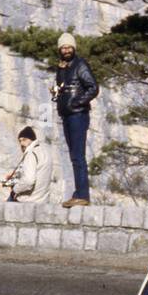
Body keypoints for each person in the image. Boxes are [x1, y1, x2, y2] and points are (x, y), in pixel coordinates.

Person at [50, 32, 98, 207]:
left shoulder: (80, 65)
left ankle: (83, 195)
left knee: (78, 156)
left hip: (78, 115)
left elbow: (93, 87)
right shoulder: (62, 67)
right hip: (67, 115)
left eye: (69, 47)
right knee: (74, 156)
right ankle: (78, 193)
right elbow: (64, 88)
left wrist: (77, 102)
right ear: (60, 49)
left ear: (74, 48)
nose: (66, 50)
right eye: (63, 47)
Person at [2, 127, 54, 203]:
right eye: (20, 140)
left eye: (24, 140)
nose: (21, 143)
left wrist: (14, 190)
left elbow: (29, 181)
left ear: (31, 139)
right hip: (43, 200)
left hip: (27, 201)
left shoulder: (31, 154)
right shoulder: (46, 152)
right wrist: (13, 179)